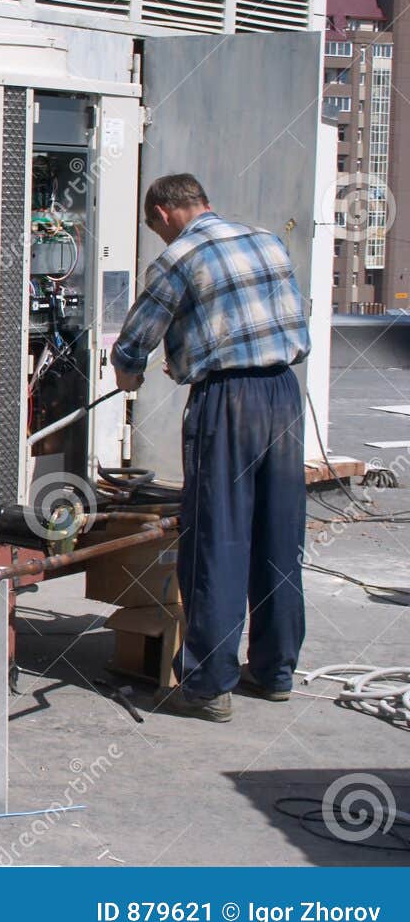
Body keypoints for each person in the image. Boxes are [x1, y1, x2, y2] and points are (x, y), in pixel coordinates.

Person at [110, 173, 311, 722]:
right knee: (278, 533)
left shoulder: (179, 257)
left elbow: (136, 341)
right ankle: (274, 671)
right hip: (283, 393)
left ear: (163, 213)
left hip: (228, 401)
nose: (159, 235)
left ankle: (208, 685)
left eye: (155, 227)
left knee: (217, 537)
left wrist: (128, 374)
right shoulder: (266, 240)